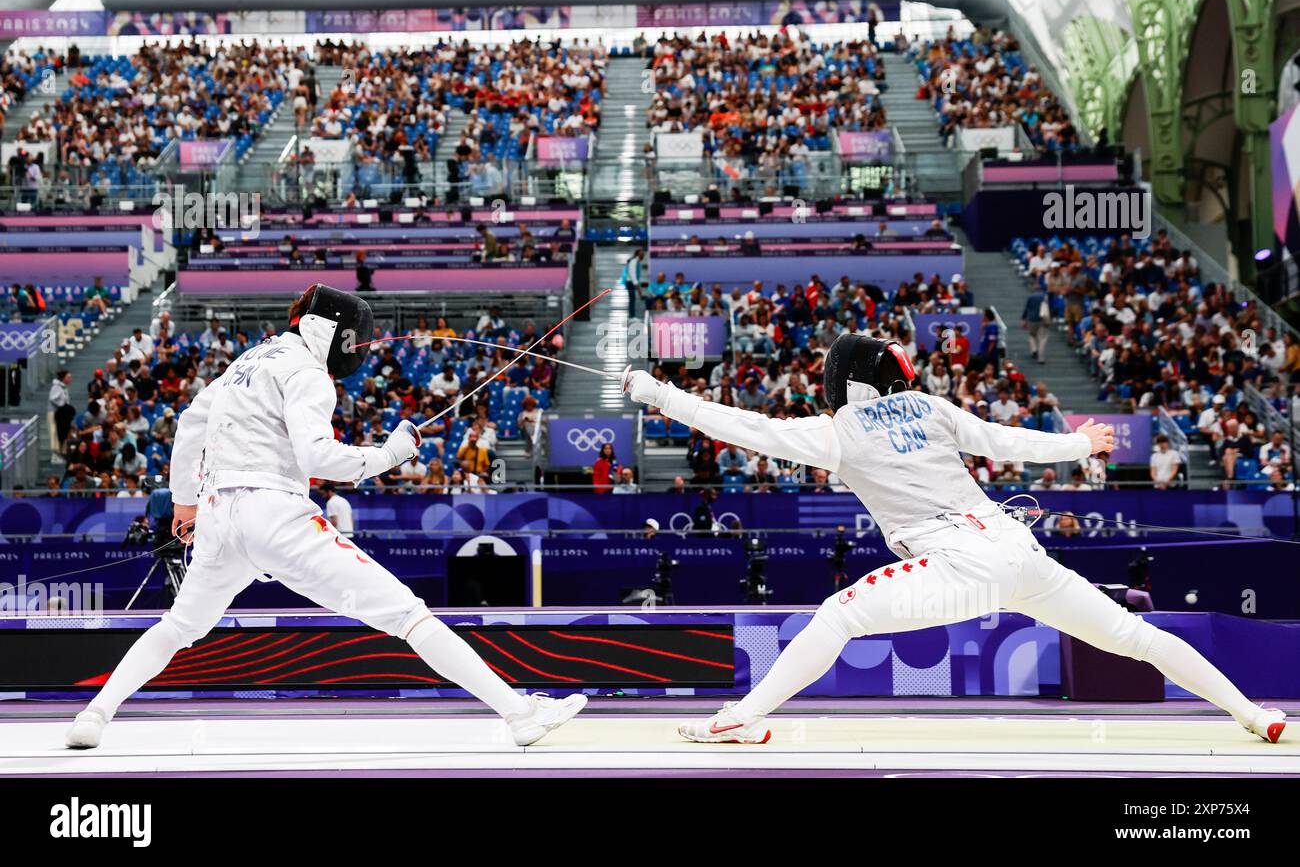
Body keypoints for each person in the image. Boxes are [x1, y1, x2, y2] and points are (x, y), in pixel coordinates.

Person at [622, 333, 1286, 745]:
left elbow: (747, 428)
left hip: (961, 564)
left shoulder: (839, 432)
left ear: (843, 382)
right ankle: (1252, 713)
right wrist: (1082, 442)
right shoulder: (932, 408)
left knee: (837, 615)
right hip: (1021, 554)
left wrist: (660, 393)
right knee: (1138, 639)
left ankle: (739, 717)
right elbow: (1010, 444)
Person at [66, 284, 584, 750]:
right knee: (408, 615)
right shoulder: (309, 373)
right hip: (276, 515)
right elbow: (316, 457)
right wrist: (389, 454)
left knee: (179, 625)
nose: (355, 351)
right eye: (353, 341)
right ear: (327, 331)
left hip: (220, 517)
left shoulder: (244, 362)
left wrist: (185, 502)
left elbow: (187, 424)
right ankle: (520, 714)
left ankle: (93, 715)